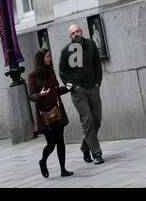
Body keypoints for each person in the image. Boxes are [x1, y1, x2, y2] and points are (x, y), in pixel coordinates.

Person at [58, 22, 104, 164]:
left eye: (77, 31)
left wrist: (97, 82)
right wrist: (72, 87)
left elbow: (97, 64)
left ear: (82, 31)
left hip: (93, 87)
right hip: (78, 91)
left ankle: (85, 147)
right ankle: (97, 153)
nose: (76, 34)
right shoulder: (66, 51)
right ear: (70, 36)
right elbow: (62, 71)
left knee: (97, 119)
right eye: (73, 33)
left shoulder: (91, 45)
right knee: (87, 120)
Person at [27, 48, 73, 179]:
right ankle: (43, 161)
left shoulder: (50, 71)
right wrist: (40, 94)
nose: (50, 58)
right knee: (51, 144)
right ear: (42, 59)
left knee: (61, 141)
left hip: (57, 111)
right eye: (47, 57)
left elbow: (55, 90)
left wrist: (67, 88)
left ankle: (63, 169)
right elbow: (31, 96)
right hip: (44, 115)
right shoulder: (33, 75)